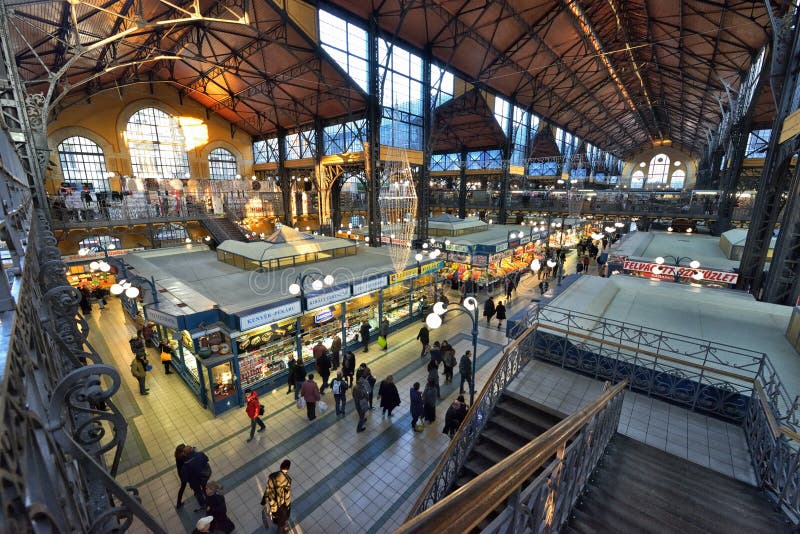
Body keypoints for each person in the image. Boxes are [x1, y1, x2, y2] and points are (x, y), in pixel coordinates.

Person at [263, 459, 292, 532]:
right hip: (281, 505)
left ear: (280, 466)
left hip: (272, 502)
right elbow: (287, 496)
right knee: (282, 518)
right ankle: (282, 527)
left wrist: (264, 501)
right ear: (288, 469)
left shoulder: (272, 476)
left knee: (275, 516)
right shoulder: (287, 480)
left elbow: (268, 489)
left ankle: (277, 525)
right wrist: (288, 506)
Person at [180, 445, 211, 511]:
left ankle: (203, 504)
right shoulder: (200, 454)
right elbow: (206, 459)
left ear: (185, 454)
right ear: (192, 449)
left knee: (198, 492)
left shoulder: (185, 466)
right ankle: (208, 498)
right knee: (204, 487)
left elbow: (185, 478)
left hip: (194, 482)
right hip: (203, 477)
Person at [175, 443, 189, 509]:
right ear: (181, 452)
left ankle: (178, 502)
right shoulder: (181, 458)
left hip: (181, 473)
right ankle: (178, 502)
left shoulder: (177, 456)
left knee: (183, 486)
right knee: (183, 486)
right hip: (184, 474)